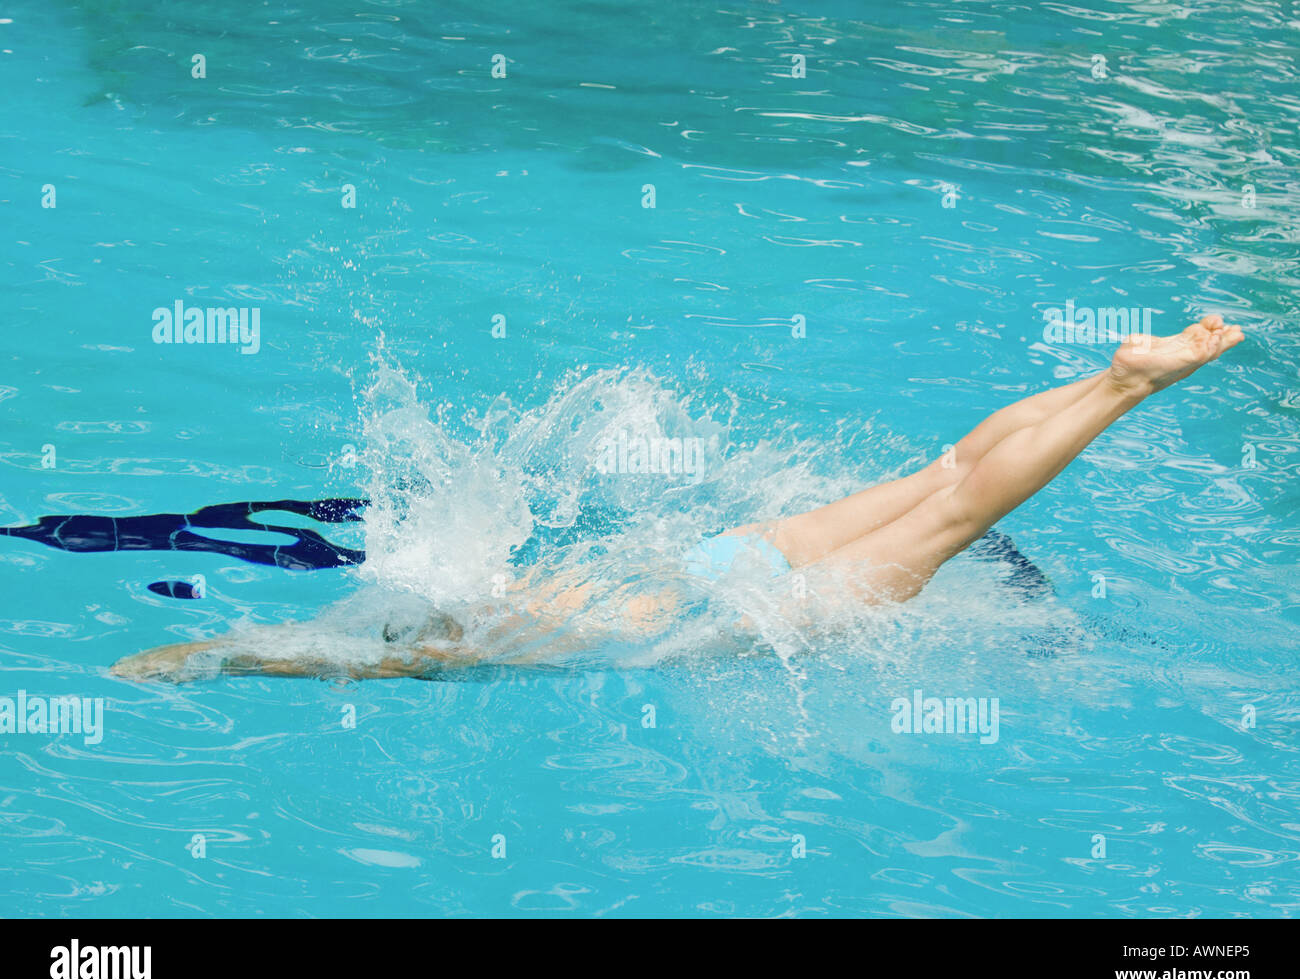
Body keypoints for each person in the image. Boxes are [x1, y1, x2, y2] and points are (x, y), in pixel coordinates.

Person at [111, 315, 1244, 682]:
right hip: (706, 561)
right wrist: (213, 644)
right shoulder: (484, 588)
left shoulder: (466, 649)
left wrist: (205, 658)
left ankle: (1125, 390)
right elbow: (326, 641)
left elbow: (322, 658)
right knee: (943, 477)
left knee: (951, 515)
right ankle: (1106, 373)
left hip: (742, 604)